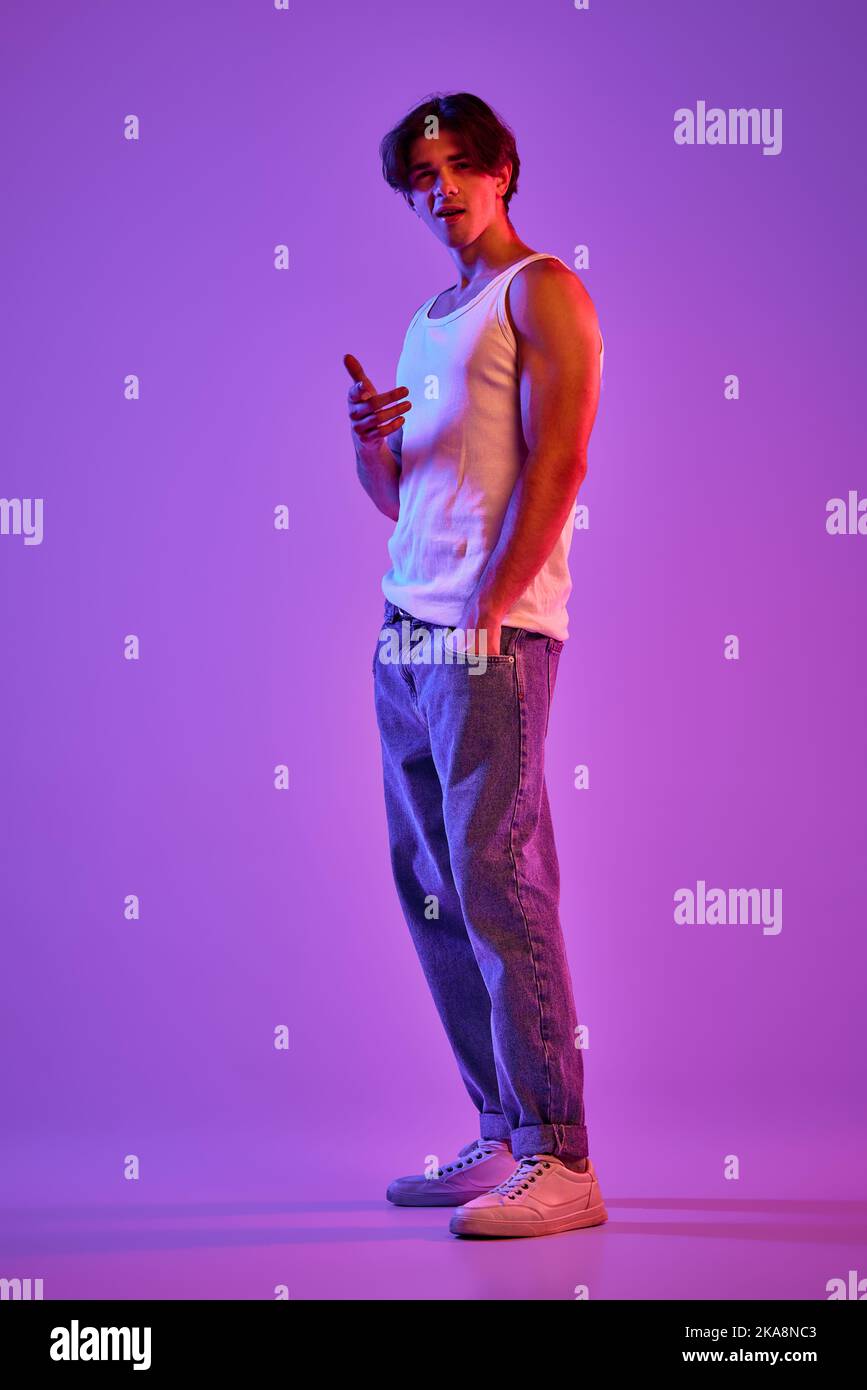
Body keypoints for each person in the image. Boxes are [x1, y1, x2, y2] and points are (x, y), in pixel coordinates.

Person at [344, 92, 605, 1238]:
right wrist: (369, 442)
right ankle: (504, 1131)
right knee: (435, 884)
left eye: (458, 167)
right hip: (408, 629)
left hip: (486, 634)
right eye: (420, 176)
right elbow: (404, 500)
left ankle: (562, 1155)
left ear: (503, 169)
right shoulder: (429, 316)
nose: (438, 190)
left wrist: (494, 605)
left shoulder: (540, 287)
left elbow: (565, 454)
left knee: (499, 878)